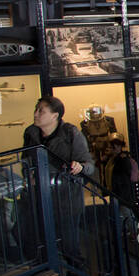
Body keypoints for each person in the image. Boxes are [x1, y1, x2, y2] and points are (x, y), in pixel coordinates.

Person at [22, 96, 96, 263]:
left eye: (41, 110)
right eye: (36, 109)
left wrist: (80, 167)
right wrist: (29, 176)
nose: (36, 114)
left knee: (69, 245)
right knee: (40, 244)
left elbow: (89, 165)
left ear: (55, 115)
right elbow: (25, 161)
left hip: (66, 200)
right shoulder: (30, 133)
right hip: (40, 198)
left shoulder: (70, 133)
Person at [101, 133, 139, 205]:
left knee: (125, 213)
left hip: (122, 196)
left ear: (119, 146)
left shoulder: (123, 159)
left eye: (111, 147)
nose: (109, 149)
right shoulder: (111, 160)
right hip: (115, 194)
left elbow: (124, 179)